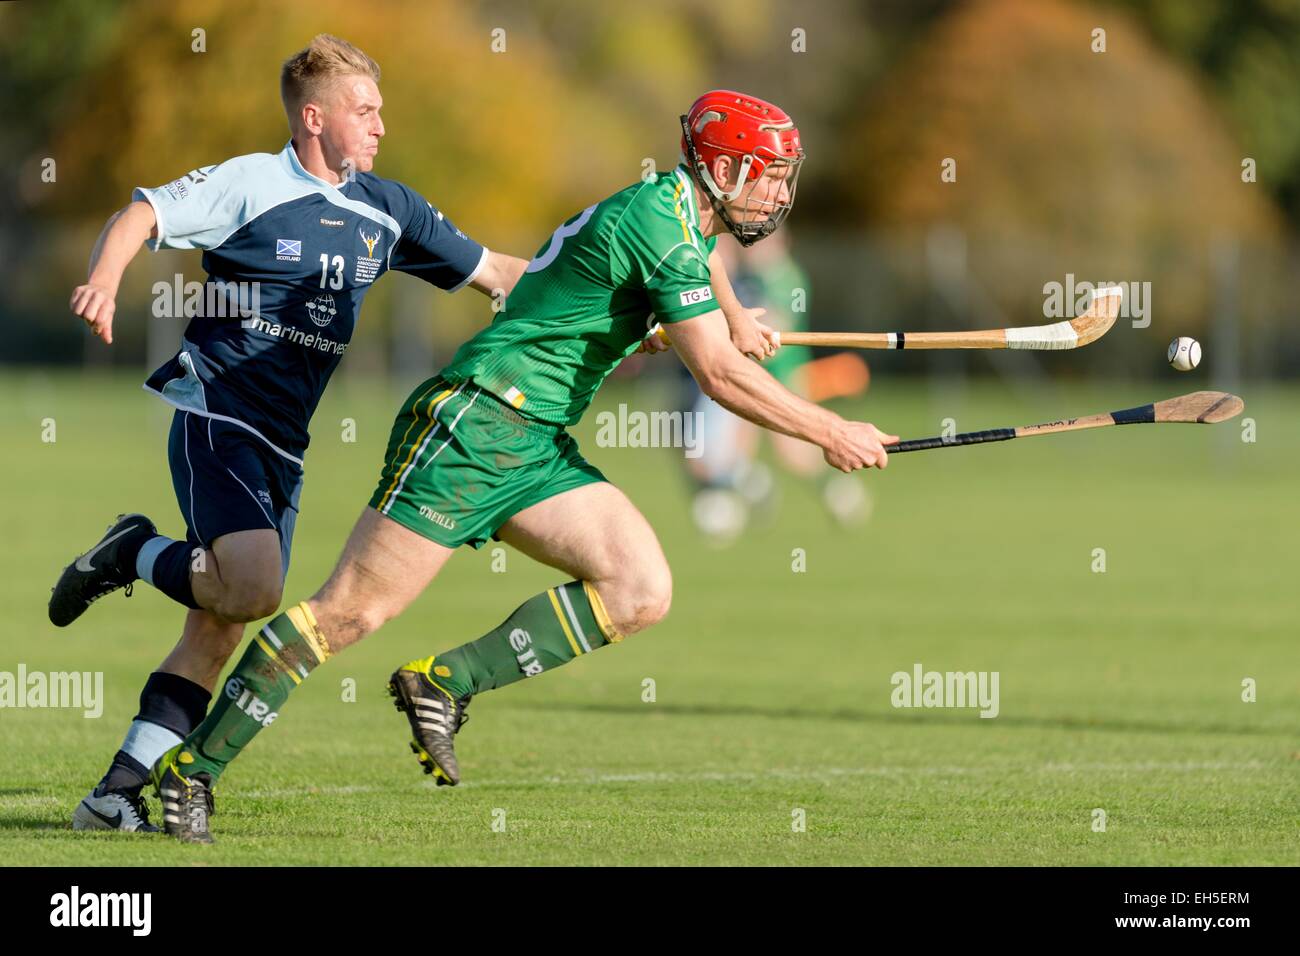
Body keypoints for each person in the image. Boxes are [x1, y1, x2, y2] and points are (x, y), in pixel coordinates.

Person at [148, 89, 897, 844]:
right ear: (723, 168)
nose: (778, 191)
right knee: (347, 613)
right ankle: (192, 772)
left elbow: (698, 276)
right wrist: (829, 430)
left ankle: (444, 683)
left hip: (535, 443)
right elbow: (721, 378)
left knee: (639, 588)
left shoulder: (678, 213)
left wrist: (732, 316)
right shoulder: (661, 225)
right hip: (475, 423)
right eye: (767, 173)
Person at [51, 34, 528, 833]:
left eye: (381, 109)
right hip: (219, 409)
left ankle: (113, 797)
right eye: (363, 110)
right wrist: (103, 279)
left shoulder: (391, 207)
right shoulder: (253, 183)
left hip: (285, 441)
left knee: (220, 621)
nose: (380, 124)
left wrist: (627, 311)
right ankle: (131, 551)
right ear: (315, 117)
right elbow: (140, 214)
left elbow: (501, 275)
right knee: (256, 590)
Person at [683, 231, 873, 542]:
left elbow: (778, 326)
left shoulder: (787, 279)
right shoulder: (756, 278)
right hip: (754, 374)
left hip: (785, 376)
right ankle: (732, 503)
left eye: (762, 244)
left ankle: (840, 491)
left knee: (794, 452)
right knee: (736, 446)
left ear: (781, 245)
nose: (754, 250)